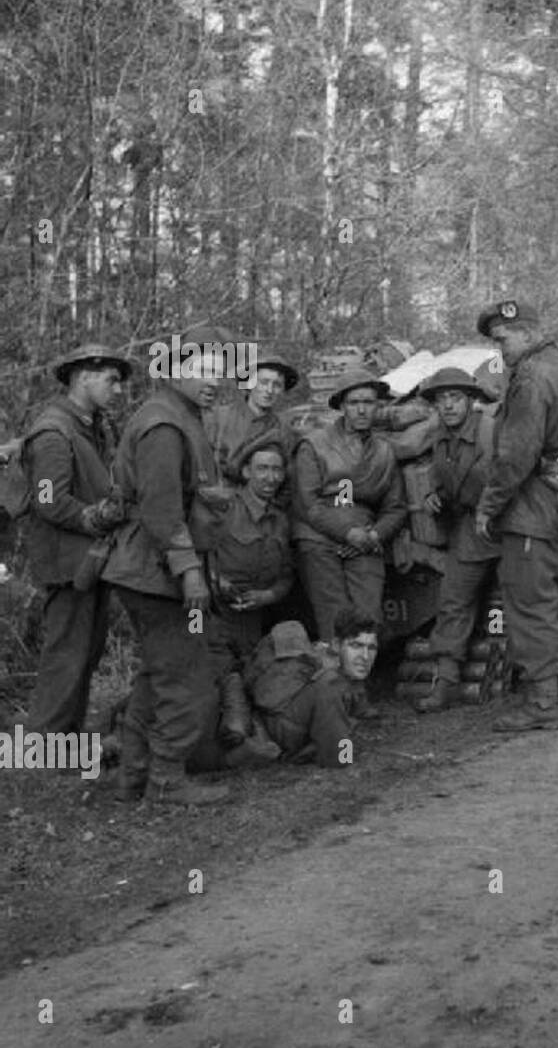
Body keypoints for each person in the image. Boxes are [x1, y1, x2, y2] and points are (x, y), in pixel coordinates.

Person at [104, 324, 235, 805]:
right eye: (200, 369)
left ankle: (133, 776)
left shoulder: (182, 416)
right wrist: (190, 570)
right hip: (156, 573)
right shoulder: (164, 424)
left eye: (218, 369)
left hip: (147, 570)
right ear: (172, 372)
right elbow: (161, 511)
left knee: (157, 673)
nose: (212, 378)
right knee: (188, 675)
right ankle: (166, 780)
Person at [474, 299, 558, 731]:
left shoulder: (528, 378)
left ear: (525, 332)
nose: (499, 349)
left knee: (530, 603)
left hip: (532, 507)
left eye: (502, 339)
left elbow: (514, 457)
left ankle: (543, 704)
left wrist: (488, 507)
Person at [21, 343, 130, 734]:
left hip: (88, 559)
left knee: (84, 652)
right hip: (67, 563)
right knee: (66, 655)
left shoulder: (91, 425)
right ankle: (44, 745)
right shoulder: (54, 432)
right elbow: (48, 500)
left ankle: (63, 740)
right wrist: (93, 517)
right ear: (83, 377)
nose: (117, 390)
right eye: (111, 380)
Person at [410, 367, 501, 713]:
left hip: (506, 526)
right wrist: (435, 495)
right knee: (453, 601)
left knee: (526, 600)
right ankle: (446, 682)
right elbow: (445, 480)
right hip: (468, 529)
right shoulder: (441, 439)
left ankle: (543, 682)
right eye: (441, 400)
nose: (447, 406)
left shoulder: (492, 431)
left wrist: (490, 508)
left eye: (455, 398)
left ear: (470, 400)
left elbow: (512, 473)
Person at [292, 369, 405, 641]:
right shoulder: (315, 444)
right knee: (335, 618)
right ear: (342, 406)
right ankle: (335, 682)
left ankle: (360, 679)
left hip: (365, 538)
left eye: (368, 402)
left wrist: (374, 535)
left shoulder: (384, 451)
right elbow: (308, 504)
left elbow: (396, 507)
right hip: (319, 536)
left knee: (368, 619)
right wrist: (347, 533)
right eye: (354, 403)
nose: (362, 410)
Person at [207, 437, 294, 748]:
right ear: (245, 472)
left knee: (253, 682)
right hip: (212, 614)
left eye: (276, 470)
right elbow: (194, 554)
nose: (270, 477)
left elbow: (286, 578)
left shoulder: (280, 521)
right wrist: (216, 581)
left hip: (252, 623)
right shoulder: (222, 508)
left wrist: (266, 597)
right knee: (209, 678)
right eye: (262, 469)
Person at [245, 608, 378, 767]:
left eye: (371, 648)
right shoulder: (330, 679)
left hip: (282, 720)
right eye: (356, 645)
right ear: (336, 644)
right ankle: (301, 750)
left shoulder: (341, 664)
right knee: (331, 688)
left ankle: (308, 748)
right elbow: (338, 755)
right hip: (279, 729)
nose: (365, 656)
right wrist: (345, 757)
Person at [205, 348, 301, 484]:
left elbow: (288, 479)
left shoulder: (284, 432)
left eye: (277, 385)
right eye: (263, 382)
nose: (269, 390)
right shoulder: (218, 418)